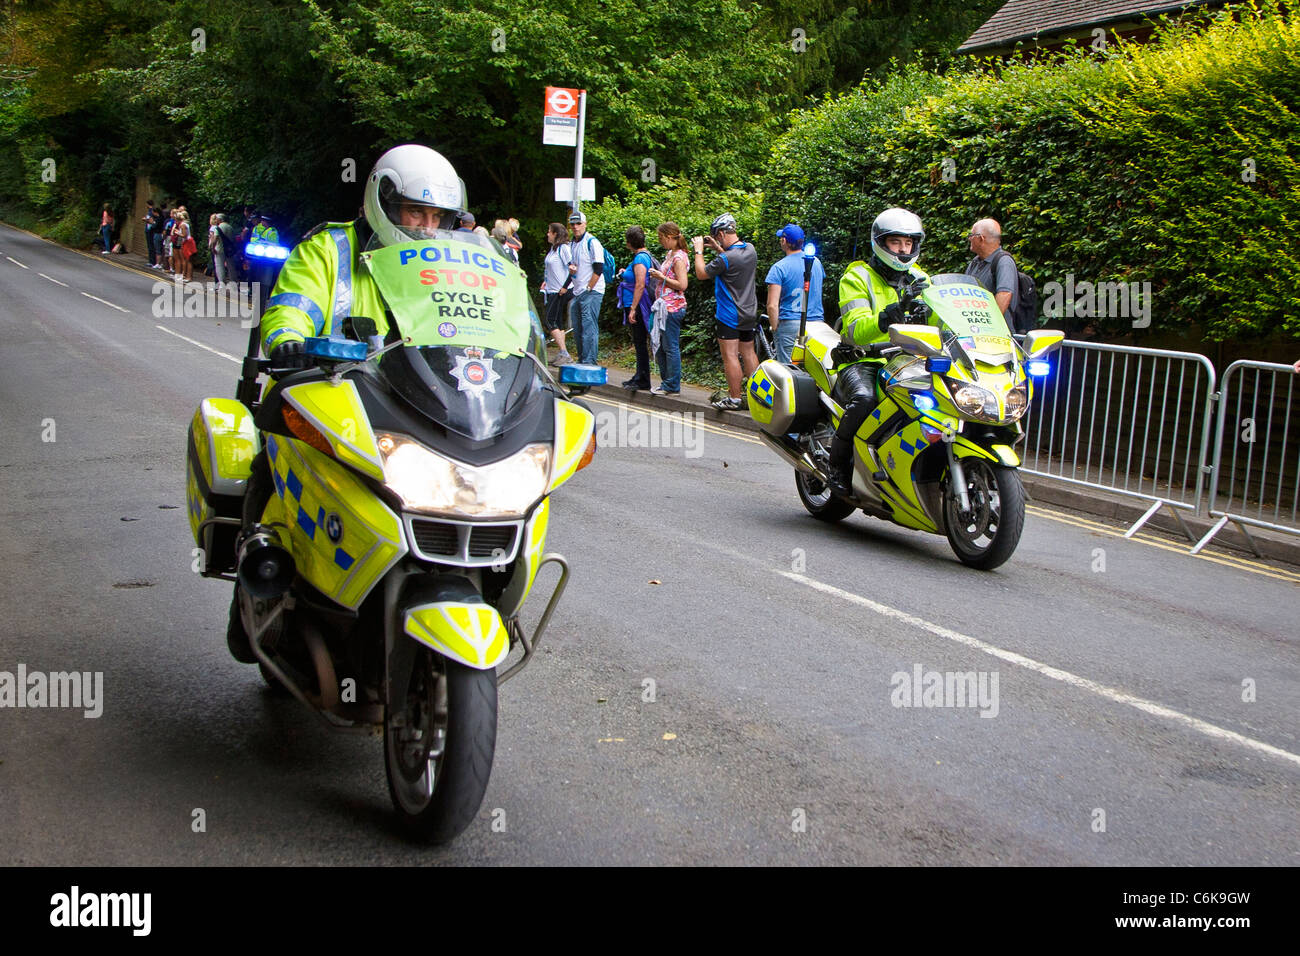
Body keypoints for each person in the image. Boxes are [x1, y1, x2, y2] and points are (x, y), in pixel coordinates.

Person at [228, 144, 469, 664]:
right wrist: (289, 338)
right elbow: (293, 305)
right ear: (383, 203)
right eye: (414, 212)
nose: (426, 226)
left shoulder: (454, 266)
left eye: (437, 216)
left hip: (417, 408)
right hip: (331, 394)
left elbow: (497, 324)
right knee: (273, 456)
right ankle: (253, 579)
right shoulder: (329, 250)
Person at [826, 208, 930, 496]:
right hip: (863, 359)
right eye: (896, 242)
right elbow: (857, 329)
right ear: (881, 243)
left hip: (908, 361)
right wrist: (889, 316)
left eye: (908, 243)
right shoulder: (857, 276)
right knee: (865, 400)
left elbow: (943, 318)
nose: (903, 250)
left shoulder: (920, 278)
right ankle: (837, 467)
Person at [693, 213, 757, 411]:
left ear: (720, 233)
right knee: (748, 352)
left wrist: (699, 251)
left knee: (730, 355)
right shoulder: (750, 250)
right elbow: (731, 258)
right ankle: (757, 397)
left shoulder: (725, 259)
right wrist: (718, 248)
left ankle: (735, 399)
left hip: (730, 314)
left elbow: (701, 273)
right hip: (749, 311)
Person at [765, 223, 825, 364]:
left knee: (789, 371)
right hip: (817, 325)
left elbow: (772, 305)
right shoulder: (816, 262)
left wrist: (775, 329)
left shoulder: (779, 268)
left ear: (784, 241)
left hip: (791, 325)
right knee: (812, 369)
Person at [648, 221, 689, 395]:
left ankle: (672, 385)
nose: (660, 241)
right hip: (664, 306)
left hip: (673, 307)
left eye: (661, 237)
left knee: (670, 346)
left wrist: (660, 276)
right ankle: (667, 382)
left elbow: (682, 284)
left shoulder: (679, 257)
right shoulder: (670, 254)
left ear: (670, 237)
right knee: (662, 345)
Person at [964, 218, 1021, 330]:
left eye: (971, 235)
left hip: (995, 334)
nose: (969, 238)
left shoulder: (1004, 261)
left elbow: (1005, 294)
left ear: (981, 239)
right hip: (974, 329)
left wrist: (989, 325)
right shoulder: (975, 262)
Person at [566, 210, 606, 365]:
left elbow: (598, 269)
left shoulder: (592, 242)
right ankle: (582, 359)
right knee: (577, 328)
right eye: (572, 224)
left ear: (585, 224)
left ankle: (589, 362)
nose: (575, 227)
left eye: (578, 223)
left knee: (589, 327)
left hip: (592, 291)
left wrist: (588, 288)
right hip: (578, 291)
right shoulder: (572, 243)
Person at [619, 226, 655, 390]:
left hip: (637, 305)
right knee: (639, 341)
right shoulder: (642, 256)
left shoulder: (640, 259)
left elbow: (640, 284)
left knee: (640, 341)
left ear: (629, 243)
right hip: (635, 303)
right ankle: (639, 375)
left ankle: (643, 379)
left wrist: (633, 308)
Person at [540, 222, 573, 365]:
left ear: (555, 234)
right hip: (551, 289)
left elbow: (572, 268)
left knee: (549, 320)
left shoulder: (564, 249)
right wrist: (546, 281)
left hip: (560, 290)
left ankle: (564, 352)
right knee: (557, 321)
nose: (547, 234)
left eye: (549, 231)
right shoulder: (553, 249)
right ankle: (562, 353)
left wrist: (565, 287)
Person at [142, 200, 159, 267]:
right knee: (151, 246)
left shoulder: (151, 211)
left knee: (151, 246)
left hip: (150, 230)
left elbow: (150, 220)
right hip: (150, 230)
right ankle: (152, 261)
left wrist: (145, 219)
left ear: (148, 204)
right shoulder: (151, 211)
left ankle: (152, 261)